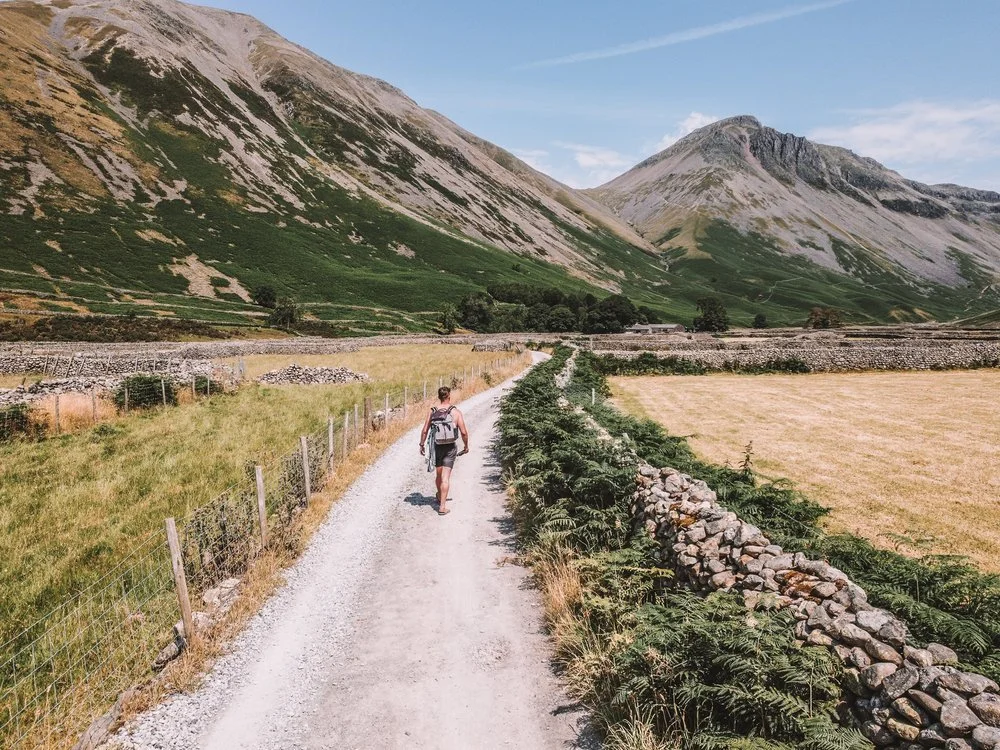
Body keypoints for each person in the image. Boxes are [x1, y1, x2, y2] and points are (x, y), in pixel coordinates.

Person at [419, 386, 469, 516]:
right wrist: (466, 446)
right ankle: (442, 507)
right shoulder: (455, 412)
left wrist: (422, 444)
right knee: (445, 478)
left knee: (439, 475)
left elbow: (425, 430)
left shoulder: (432, 411)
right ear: (449, 396)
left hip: (437, 446)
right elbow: (464, 432)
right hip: (450, 447)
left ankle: (439, 495)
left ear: (439, 397)